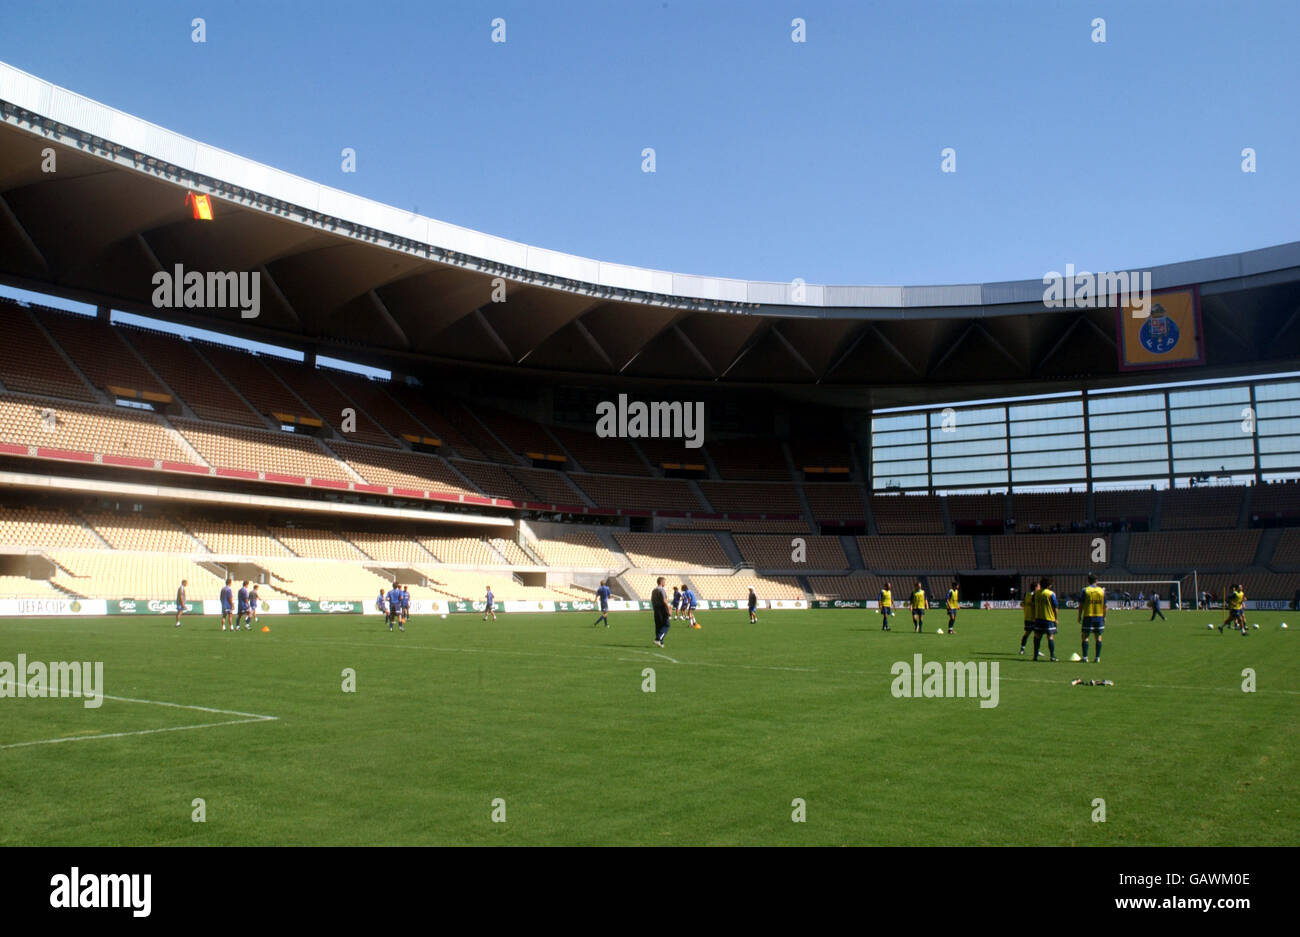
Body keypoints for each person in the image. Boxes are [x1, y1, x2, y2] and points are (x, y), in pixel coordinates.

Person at [1078, 573, 1106, 663]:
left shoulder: (1085, 590)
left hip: (1088, 616)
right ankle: (1097, 658)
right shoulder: (1102, 591)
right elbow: (1105, 606)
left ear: (1088, 581)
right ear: (1096, 581)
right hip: (1099, 616)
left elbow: (1081, 604)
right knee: (1098, 637)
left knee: (1085, 636)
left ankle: (1085, 657)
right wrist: (1104, 616)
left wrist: (1079, 615)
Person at [1032, 577, 1059, 661]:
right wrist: (1056, 618)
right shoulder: (1051, 594)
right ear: (1049, 585)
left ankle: (1035, 656)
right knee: (1050, 637)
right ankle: (1052, 656)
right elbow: (1055, 607)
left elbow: (1033, 604)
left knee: (1037, 637)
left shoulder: (1036, 593)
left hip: (1038, 618)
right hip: (1049, 618)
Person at [1018, 579, 1038, 656]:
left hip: (1027, 617)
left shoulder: (1026, 594)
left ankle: (1022, 649)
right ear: (1036, 587)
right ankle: (1036, 650)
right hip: (1034, 618)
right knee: (1036, 635)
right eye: (1038, 586)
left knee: (1027, 634)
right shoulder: (1035, 595)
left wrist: (1025, 604)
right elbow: (1034, 605)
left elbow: (1022, 604)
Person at [651, 576, 670, 647]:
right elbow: (664, 600)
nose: (665, 583)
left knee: (658, 625)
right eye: (664, 582)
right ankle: (658, 639)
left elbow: (652, 600)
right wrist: (668, 609)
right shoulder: (661, 590)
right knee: (666, 625)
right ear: (661, 582)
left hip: (656, 609)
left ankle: (660, 642)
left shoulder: (654, 590)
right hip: (662, 609)